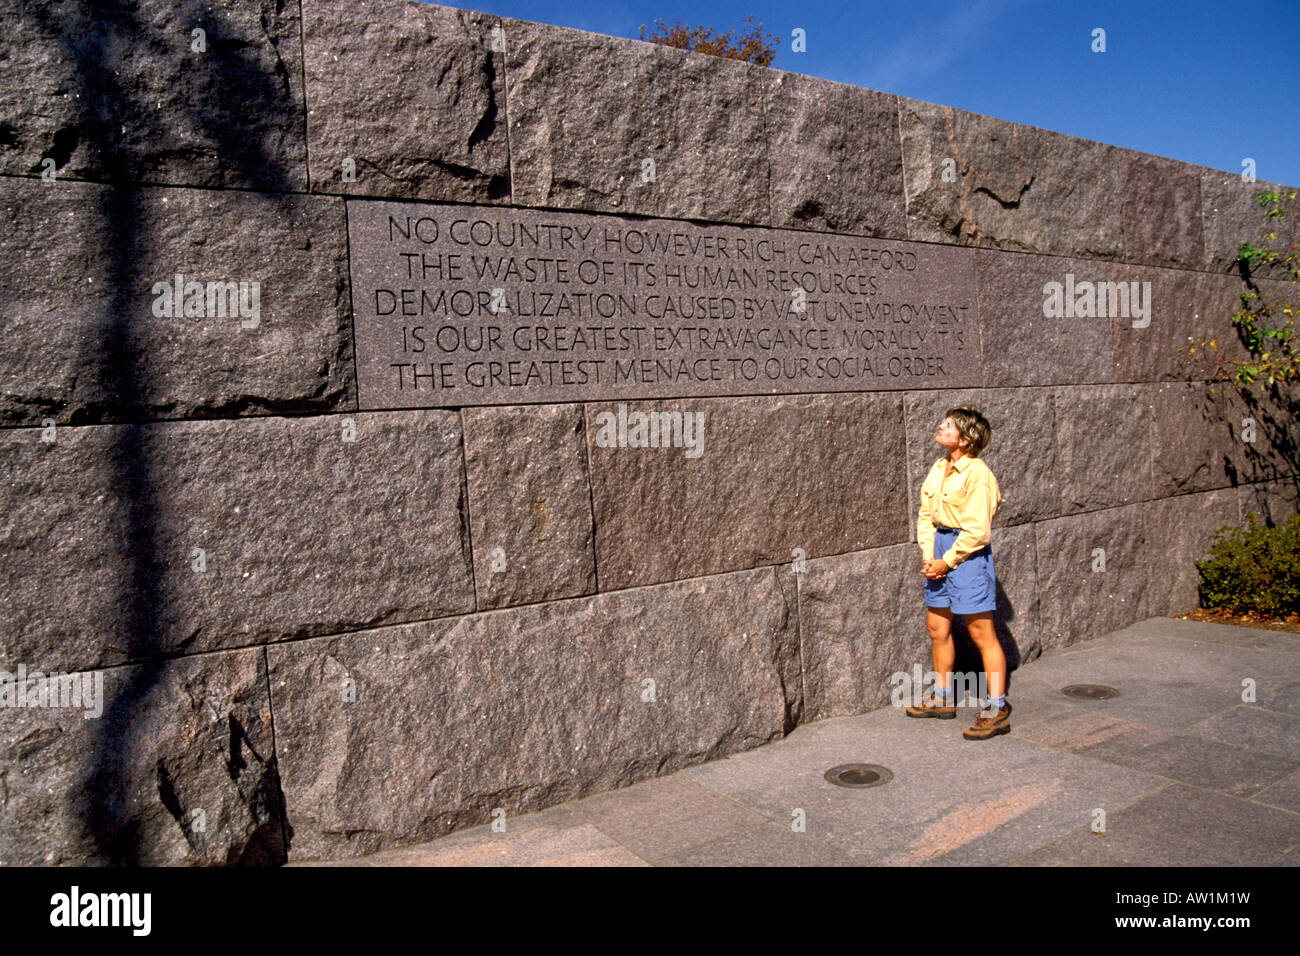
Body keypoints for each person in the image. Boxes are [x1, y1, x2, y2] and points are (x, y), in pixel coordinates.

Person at [904, 407, 1008, 740]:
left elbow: (978, 530)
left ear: (964, 437)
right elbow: (925, 516)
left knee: (982, 634)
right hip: (938, 552)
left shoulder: (978, 474)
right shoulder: (939, 467)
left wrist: (947, 561)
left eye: (948, 425)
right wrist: (928, 554)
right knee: (937, 627)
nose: (940, 426)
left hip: (966, 556)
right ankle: (943, 698)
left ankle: (997, 708)